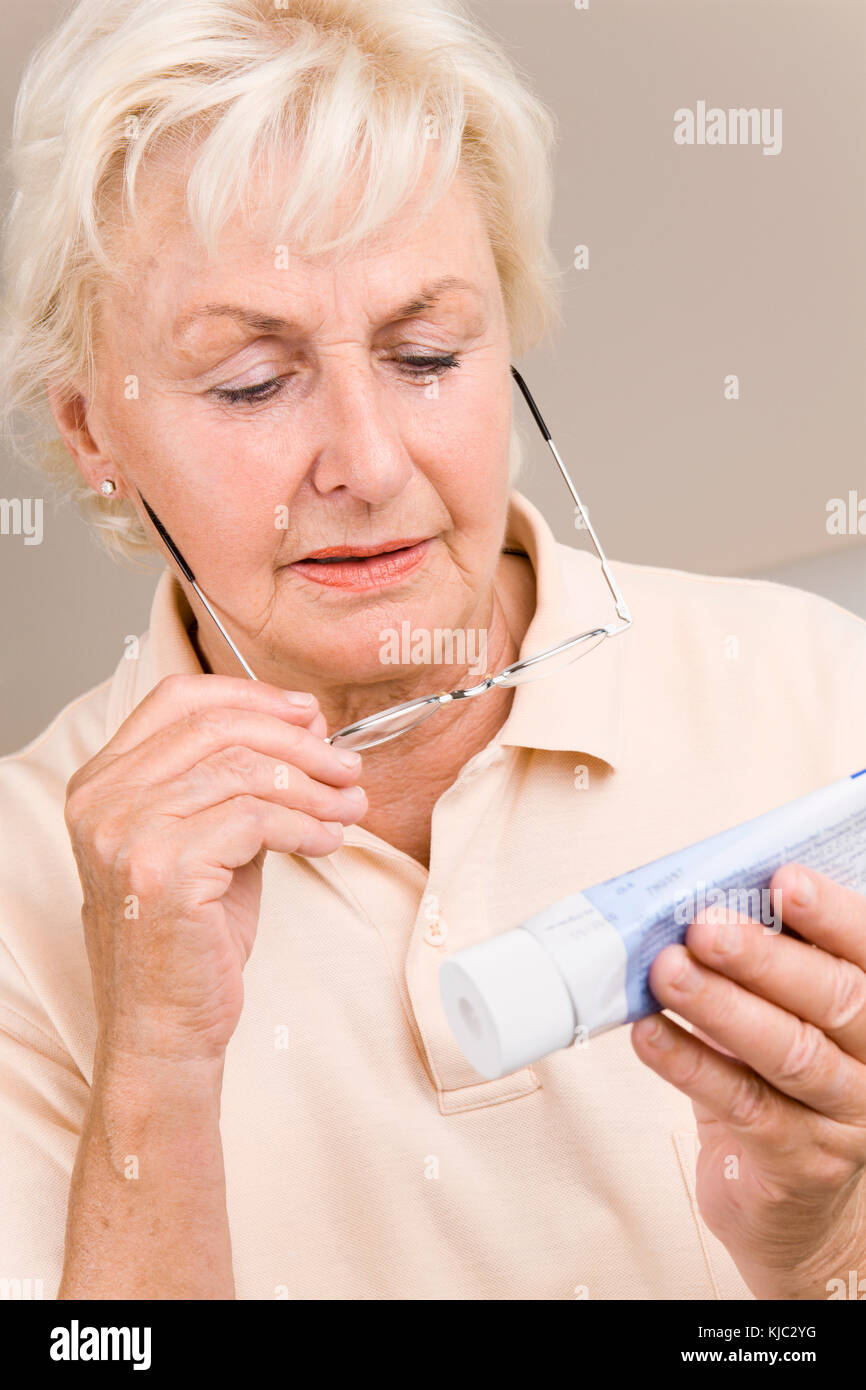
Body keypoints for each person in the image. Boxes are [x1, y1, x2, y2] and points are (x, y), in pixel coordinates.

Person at [1, 0, 865, 1301]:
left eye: (424, 353)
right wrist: (158, 1061)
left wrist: (821, 1258)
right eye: (249, 379)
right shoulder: (21, 890)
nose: (367, 463)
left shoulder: (812, 694)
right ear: (91, 432)